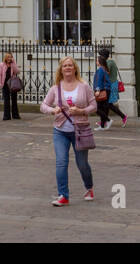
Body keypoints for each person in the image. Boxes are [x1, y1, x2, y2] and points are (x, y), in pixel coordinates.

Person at [40, 56, 97, 205]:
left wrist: (81, 111)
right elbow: (43, 105)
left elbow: (94, 106)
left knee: (82, 163)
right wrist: (53, 110)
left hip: (80, 131)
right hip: (60, 131)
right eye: (65, 66)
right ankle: (63, 196)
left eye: (70, 65)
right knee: (61, 162)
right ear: (61, 69)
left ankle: (89, 187)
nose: (67, 68)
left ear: (75, 68)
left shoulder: (84, 86)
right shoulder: (56, 88)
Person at [94, 51, 127, 129]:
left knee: (108, 105)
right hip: (111, 85)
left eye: (100, 56)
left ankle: (118, 118)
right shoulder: (111, 62)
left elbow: (105, 74)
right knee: (107, 105)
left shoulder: (108, 63)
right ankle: (104, 121)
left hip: (110, 85)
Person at [0, 52, 21, 120]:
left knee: (14, 100)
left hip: (12, 84)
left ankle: (15, 115)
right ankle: (6, 116)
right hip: (5, 84)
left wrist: (13, 63)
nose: (9, 58)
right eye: (8, 57)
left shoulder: (13, 64)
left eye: (10, 57)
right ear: (5, 58)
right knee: (6, 100)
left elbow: (17, 72)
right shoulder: (2, 65)